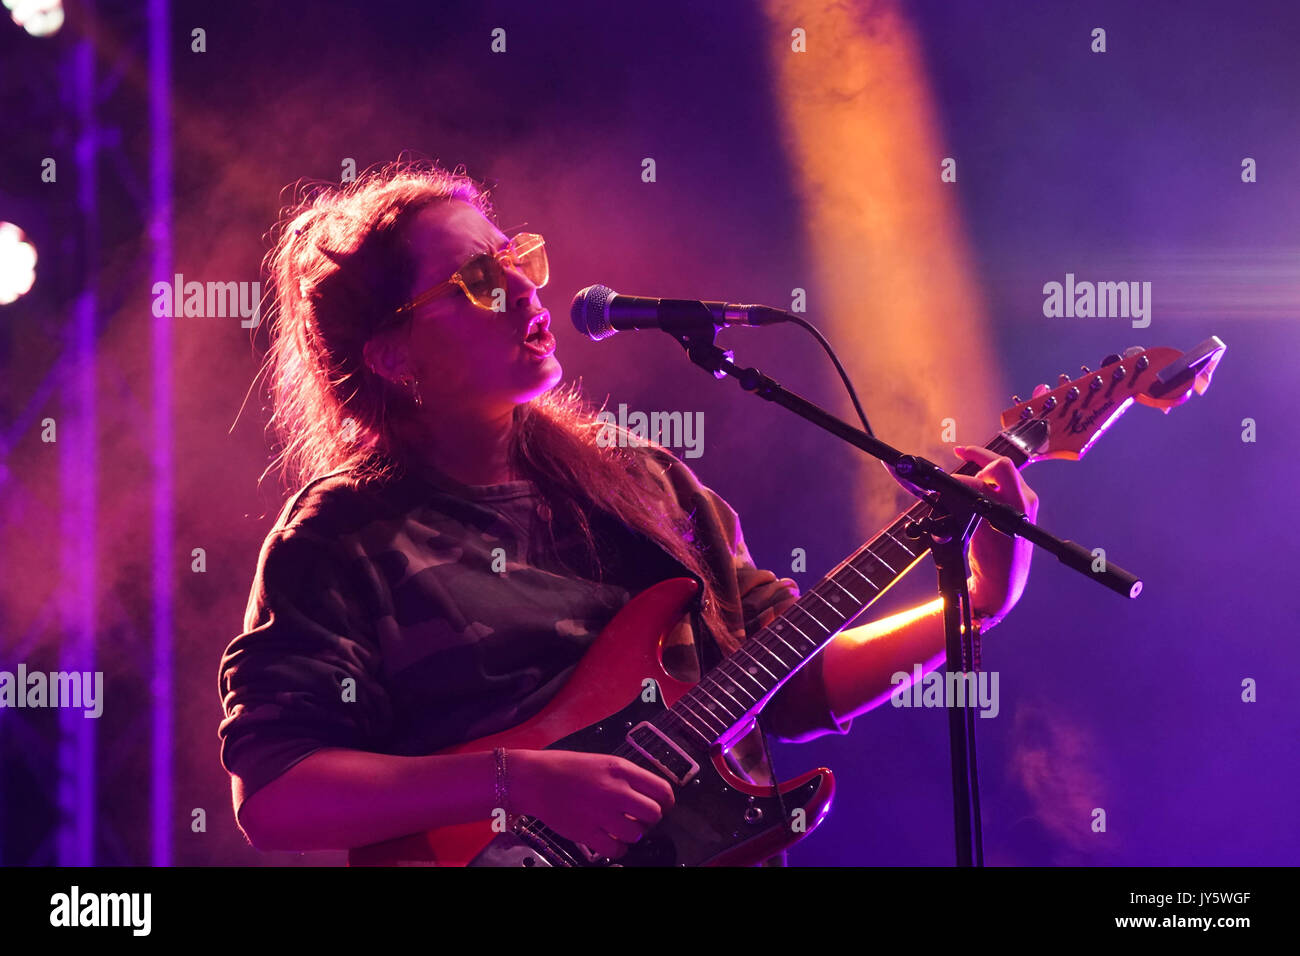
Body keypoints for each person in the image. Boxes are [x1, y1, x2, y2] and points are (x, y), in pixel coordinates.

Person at [217, 160, 1041, 865]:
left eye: (513, 257)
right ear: (393, 356)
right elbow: (277, 795)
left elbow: (788, 689)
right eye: (475, 279)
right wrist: (516, 778)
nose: (521, 286)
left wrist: (971, 604)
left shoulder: (643, 482)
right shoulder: (340, 538)